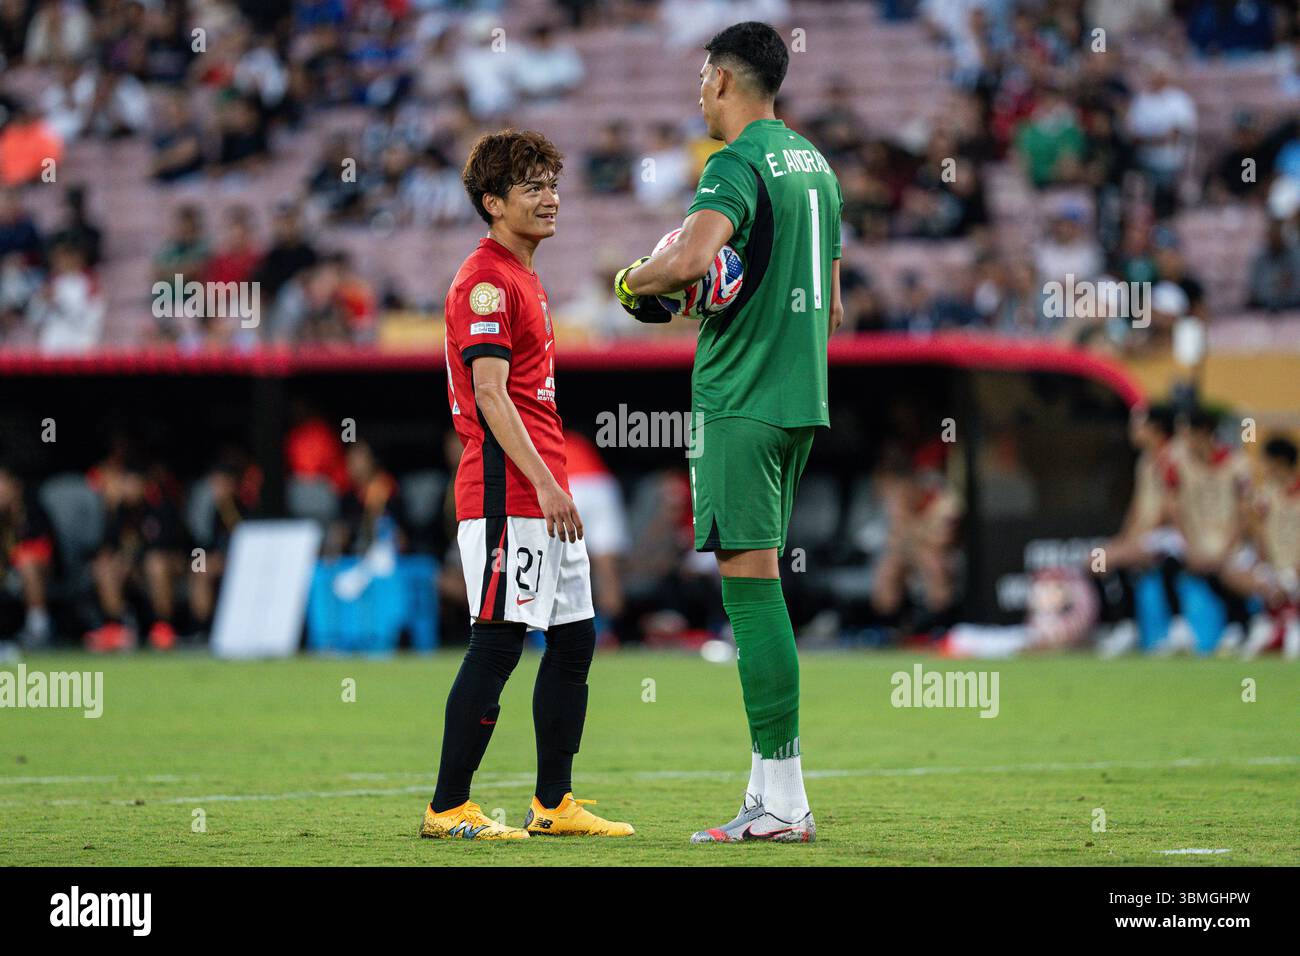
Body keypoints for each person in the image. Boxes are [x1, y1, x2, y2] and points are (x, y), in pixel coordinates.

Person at [614, 21, 842, 843]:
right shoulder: (816, 167)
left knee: (750, 594)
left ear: (719, 79)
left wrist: (632, 282)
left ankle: (782, 801)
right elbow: (834, 303)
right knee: (762, 582)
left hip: (739, 400)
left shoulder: (735, 166)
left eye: (700, 80)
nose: (696, 94)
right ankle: (771, 795)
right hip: (799, 397)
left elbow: (684, 264)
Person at [422, 129, 633, 841]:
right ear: (492, 202)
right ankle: (447, 806)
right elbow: (488, 392)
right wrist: (545, 483)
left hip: (543, 487)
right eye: (532, 187)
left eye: (552, 183)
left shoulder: (523, 274)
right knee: (500, 640)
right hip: (507, 490)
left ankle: (553, 804)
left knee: (574, 641)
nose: (551, 198)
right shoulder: (485, 279)